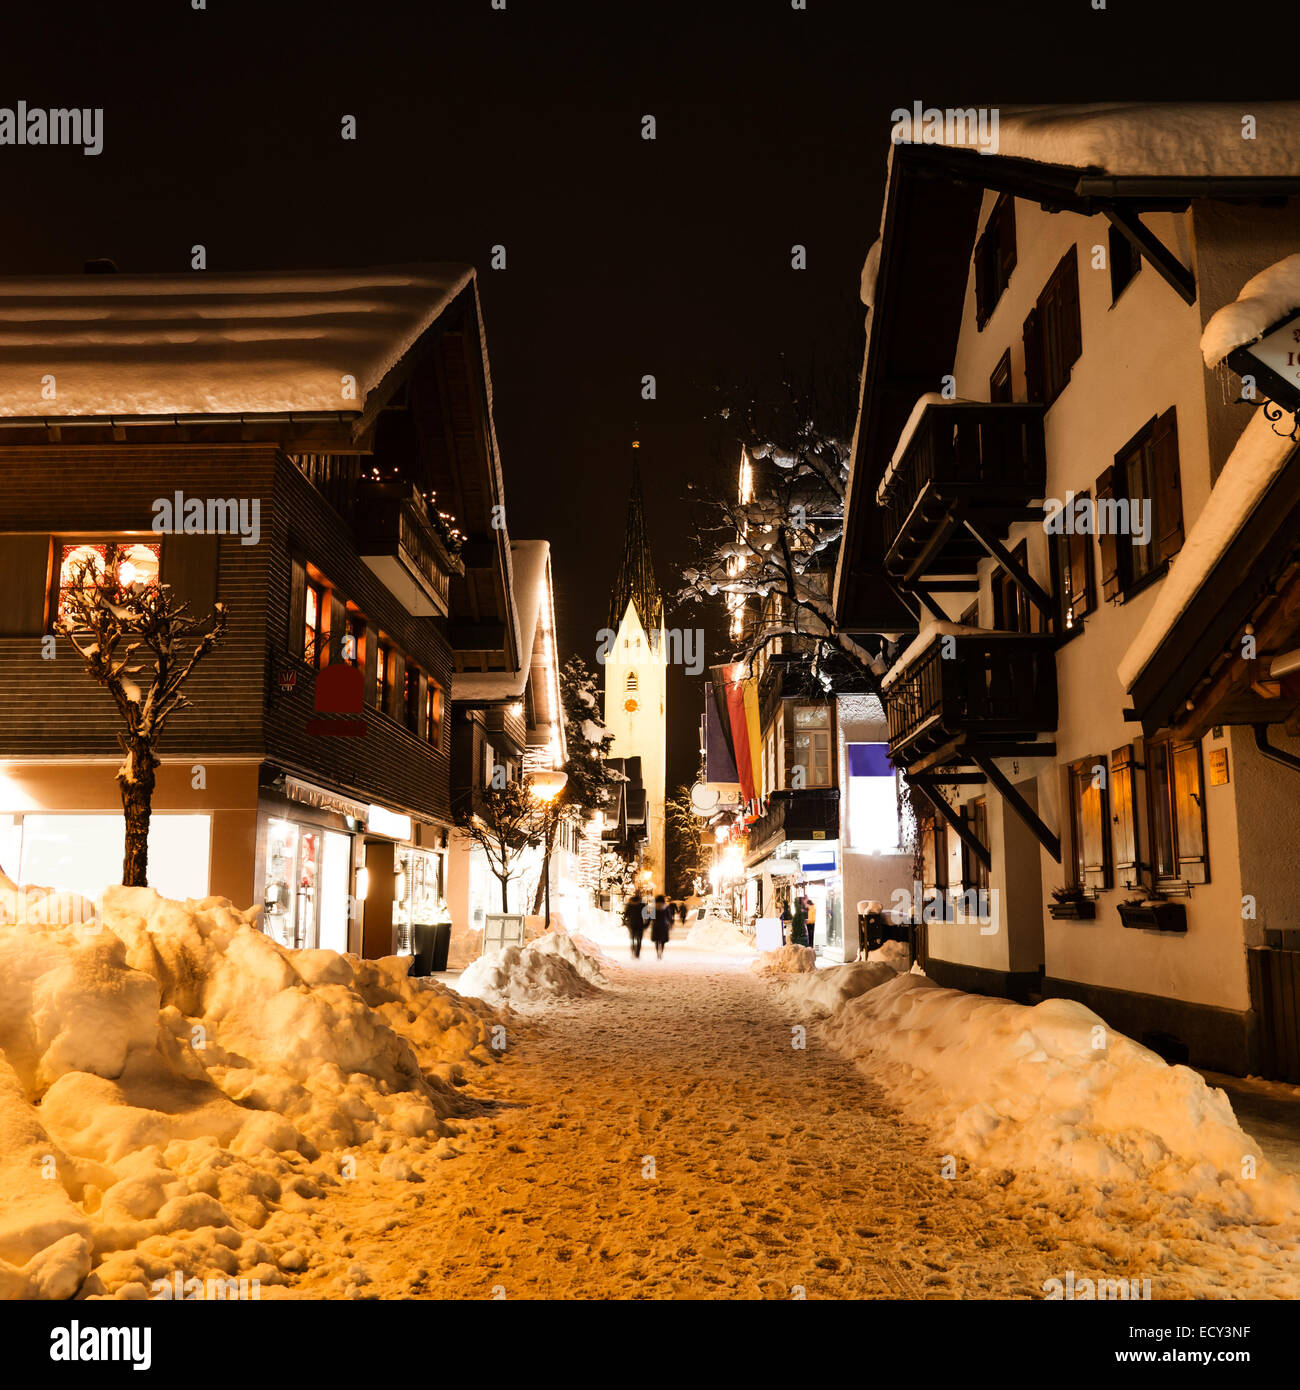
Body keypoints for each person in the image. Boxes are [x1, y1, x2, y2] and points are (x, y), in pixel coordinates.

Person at [624, 890, 647, 959]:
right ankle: (637, 953)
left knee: (632, 937)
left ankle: (633, 950)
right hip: (640, 923)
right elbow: (646, 914)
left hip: (631, 923)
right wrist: (646, 923)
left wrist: (625, 921)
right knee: (639, 938)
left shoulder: (630, 903)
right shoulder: (642, 904)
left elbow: (626, 913)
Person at [651, 894, 672, 959]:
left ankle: (657, 952)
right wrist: (670, 923)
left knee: (657, 940)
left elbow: (651, 917)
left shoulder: (653, 908)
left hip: (656, 925)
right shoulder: (666, 907)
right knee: (662, 940)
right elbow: (669, 916)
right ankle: (661, 952)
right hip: (664, 925)